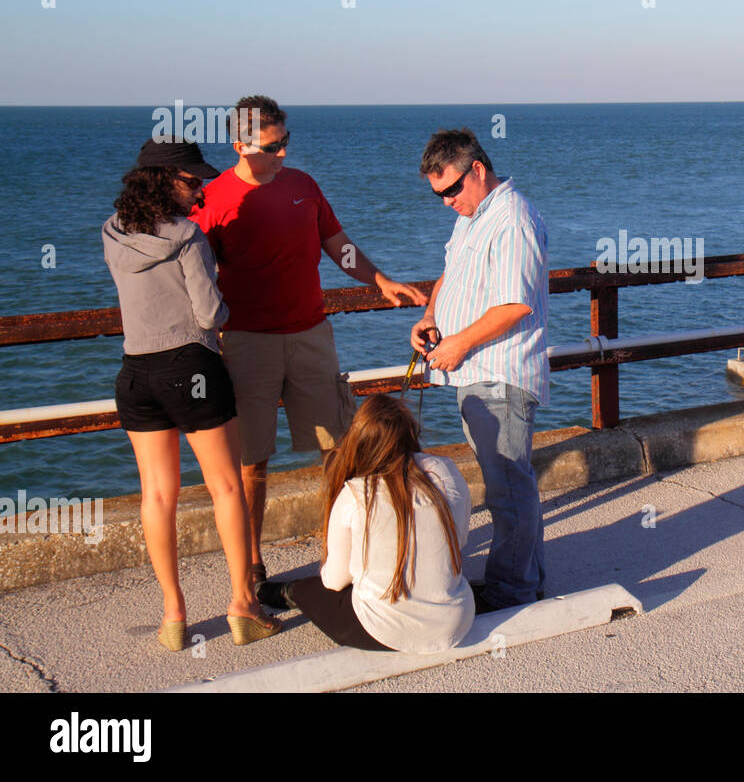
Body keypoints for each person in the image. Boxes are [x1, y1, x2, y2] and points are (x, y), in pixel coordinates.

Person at [191, 95, 427, 586]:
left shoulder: (303, 185)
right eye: (272, 147)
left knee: (337, 450)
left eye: (286, 143)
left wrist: (377, 279)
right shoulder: (213, 199)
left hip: (311, 334)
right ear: (240, 145)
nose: (282, 155)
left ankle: (341, 558)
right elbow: (193, 273)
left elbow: (336, 243)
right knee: (252, 460)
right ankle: (252, 568)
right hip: (247, 342)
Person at [103, 137, 279, 649]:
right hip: (191, 365)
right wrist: (224, 307)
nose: (199, 189)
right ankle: (243, 606)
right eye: (191, 181)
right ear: (163, 180)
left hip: (136, 371)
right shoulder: (187, 237)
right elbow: (208, 314)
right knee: (226, 487)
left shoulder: (112, 231)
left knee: (157, 495)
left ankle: (173, 617)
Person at [409, 128, 549, 613]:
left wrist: (459, 343)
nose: (446, 202)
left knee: (508, 488)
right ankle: (526, 582)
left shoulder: (512, 218)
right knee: (509, 485)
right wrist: (430, 317)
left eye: (451, 190)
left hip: (499, 373)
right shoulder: (474, 215)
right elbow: (452, 274)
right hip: (475, 370)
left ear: (477, 170)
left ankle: (512, 591)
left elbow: (517, 305)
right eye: (438, 195)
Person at [257, 395, 473, 651]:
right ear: (412, 432)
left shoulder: (356, 493)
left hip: (382, 632)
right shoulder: (445, 470)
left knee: (311, 590)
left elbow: (334, 582)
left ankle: (269, 593)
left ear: (358, 441)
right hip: (456, 623)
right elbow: (458, 540)